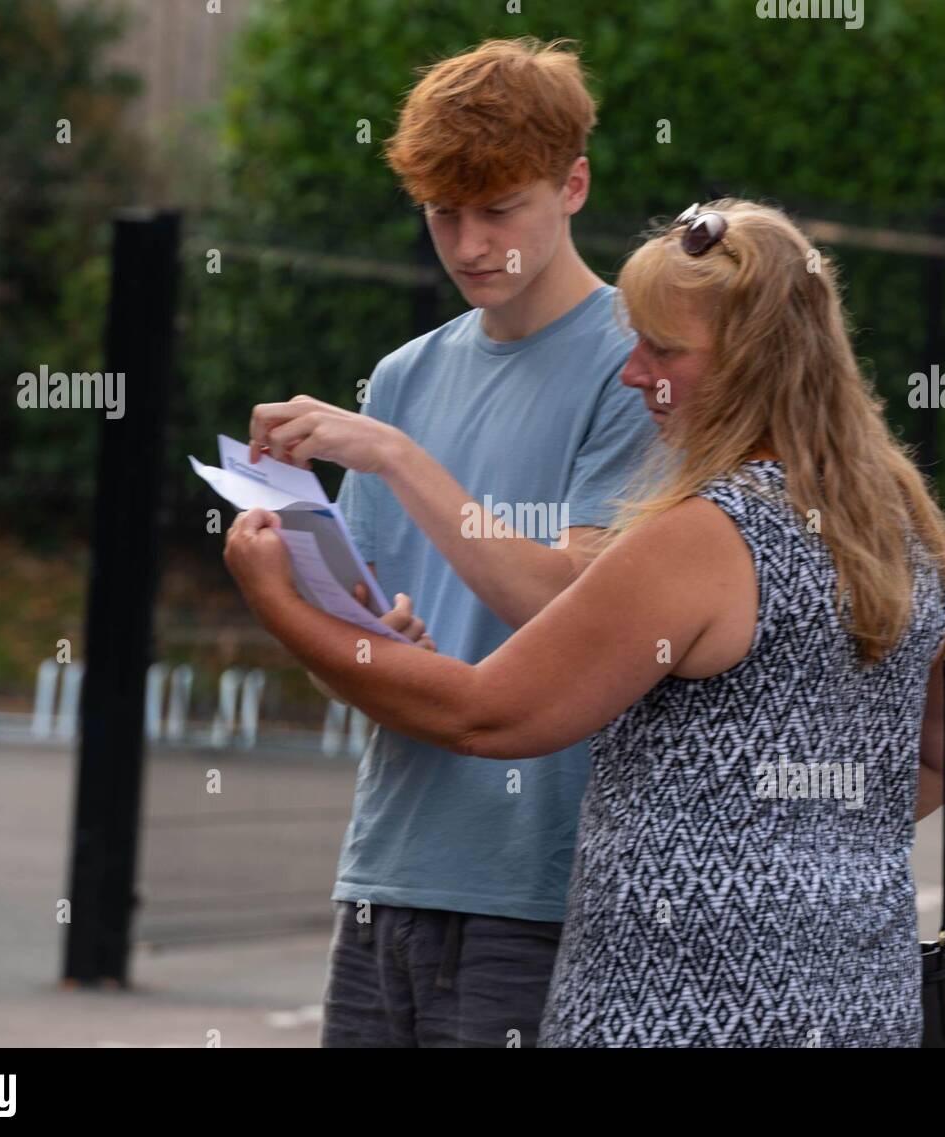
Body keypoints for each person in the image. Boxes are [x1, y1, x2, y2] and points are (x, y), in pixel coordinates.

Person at [227, 197, 945, 1047]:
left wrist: (281, 603)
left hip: (674, 1003)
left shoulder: (702, 538)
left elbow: (484, 711)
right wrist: (807, 848)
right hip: (858, 990)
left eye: (663, 349)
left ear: (753, 363)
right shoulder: (902, 517)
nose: (635, 374)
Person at [247, 37, 656, 1047]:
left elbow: (577, 613)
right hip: (387, 867)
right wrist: (327, 614)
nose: (470, 243)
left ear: (573, 185)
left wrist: (399, 461)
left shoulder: (640, 372)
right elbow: (367, 644)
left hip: (542, 886)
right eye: (442, 214)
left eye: (499, 209)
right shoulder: (403, 378)